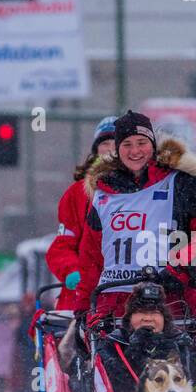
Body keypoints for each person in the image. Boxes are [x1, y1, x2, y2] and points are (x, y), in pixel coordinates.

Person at [76, 110, 196, 319]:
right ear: (117, 149)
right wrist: (83, 309)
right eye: (127, 144)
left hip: (173, 303)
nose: (135, 151)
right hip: (113, 308)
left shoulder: (182, 184)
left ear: (153, 145)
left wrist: (181, 270)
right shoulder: (103, 193)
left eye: (142, 142)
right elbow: (91, 259)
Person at [48, 116, 117, 312]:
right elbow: (62, 246)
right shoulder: (77, 194)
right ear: (95, 151)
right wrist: (74, 271)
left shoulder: (146, 189)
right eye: (105, 143)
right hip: (87, 293)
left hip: (131, 291)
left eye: (117, 142)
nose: (111, 148)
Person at [97, 281, 196, 392]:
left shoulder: (180, 341)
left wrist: (169, 350)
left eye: (154, 313)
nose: (148, 318)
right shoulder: (113, 343)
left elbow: (190, 378)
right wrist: (134, 349)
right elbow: (119, 384)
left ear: (164, 319)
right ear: (129, 318)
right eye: (141, 312)